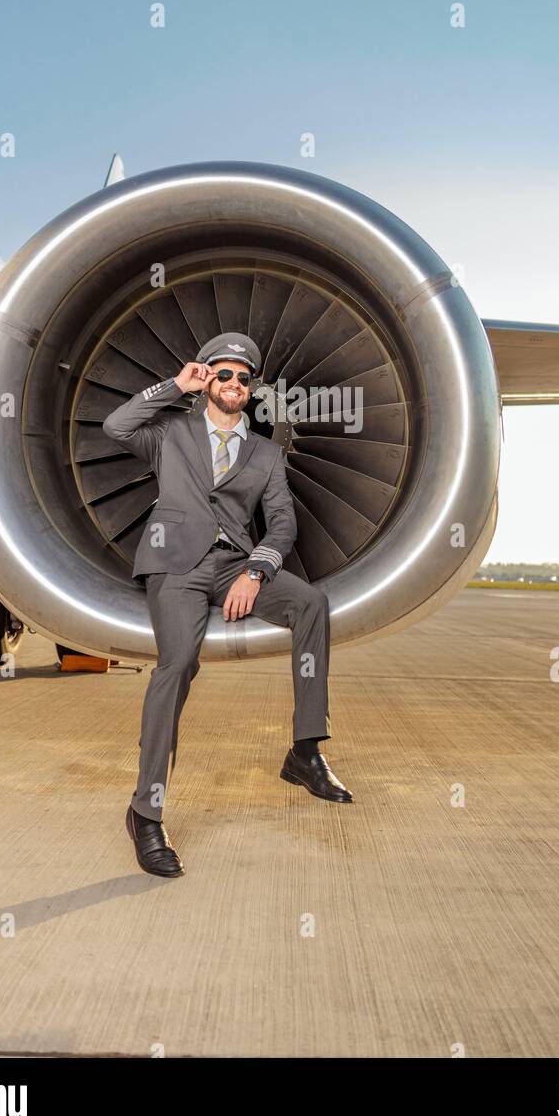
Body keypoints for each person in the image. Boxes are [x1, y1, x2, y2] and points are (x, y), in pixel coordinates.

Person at [102, 330, 353, 878]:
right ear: (207, 378)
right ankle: (146, 810)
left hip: (238, 563)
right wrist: (175, 384)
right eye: (223, 374)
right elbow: (115, 426)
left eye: (244, 377)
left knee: (311, 603)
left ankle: (306, 750)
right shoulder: (170, 432)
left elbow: (282, 521)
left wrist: (258, 570)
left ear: (252, 387)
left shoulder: (265, 453)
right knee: (177, 665)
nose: (234, 383)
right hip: (176, 566)